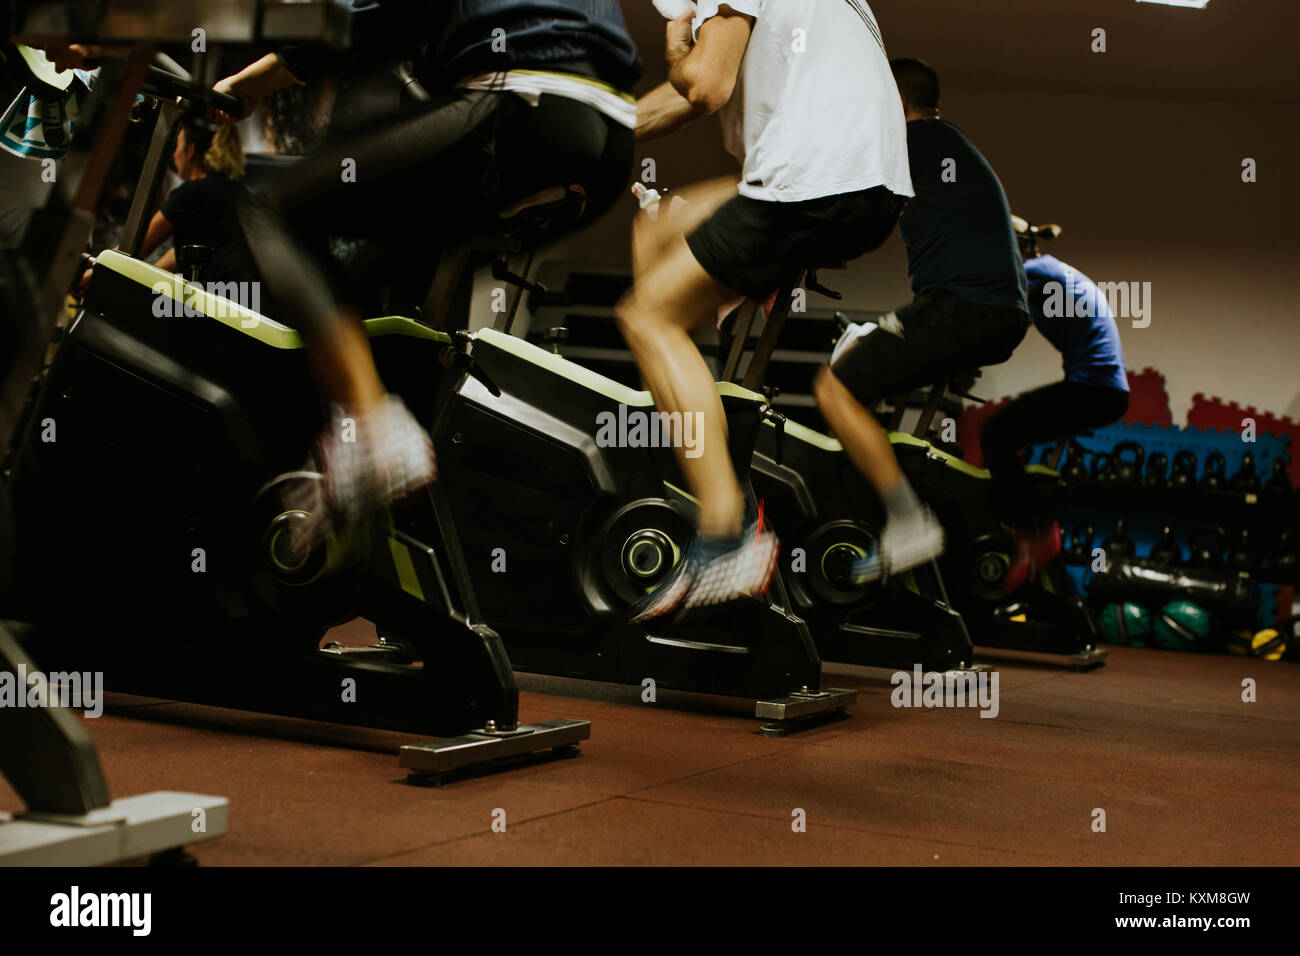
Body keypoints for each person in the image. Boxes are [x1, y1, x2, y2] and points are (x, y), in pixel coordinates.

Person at [211, 0, 641, 551]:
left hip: (525, 103)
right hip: (608, 137)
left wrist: (261, 77)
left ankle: (371, 430)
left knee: (270, 212)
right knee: (372, 277)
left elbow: (379, 12)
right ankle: (395, 499)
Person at [619, 0, 913, 620]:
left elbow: (701, 85)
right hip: (869, 189)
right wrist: (602, 128)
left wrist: (677, 47)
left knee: (647, 317)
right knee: (661, 227)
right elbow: (686, 98)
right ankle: (687, 422)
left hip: (811, 181)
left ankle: (727, 532)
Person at [822, 57, 1030, 584]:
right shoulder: (946, 144)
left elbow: (842, 213)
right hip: (993, 312)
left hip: (965, 307)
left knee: (836, 388)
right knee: (869, 372)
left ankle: (908, 522)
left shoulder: (910, 145)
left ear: (896, 97)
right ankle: (894, 514)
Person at [979, 218, 1130, 591]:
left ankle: (1033, 536)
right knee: (1015, 443)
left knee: (995, 433)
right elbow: (1006, 330)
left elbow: (991, 304)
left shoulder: (1035, 272)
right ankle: (1043, 549)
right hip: (1099, 390)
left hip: (1094, 390)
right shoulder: (1044, 276)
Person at [80, 116, 257, 289]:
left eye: (177, 146)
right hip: (245, 296)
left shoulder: (192, 192)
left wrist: (93, 274)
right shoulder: (230, 187)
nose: (174, 154)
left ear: (191, 150)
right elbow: (179, 254)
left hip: (220, 298)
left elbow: (135, 247)